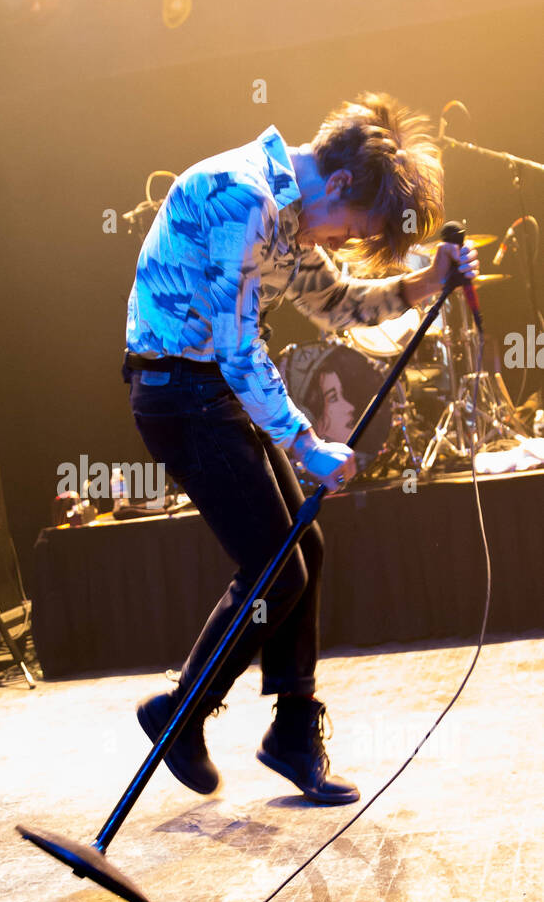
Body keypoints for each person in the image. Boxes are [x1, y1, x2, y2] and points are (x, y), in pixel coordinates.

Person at [124, 92, 478, 804]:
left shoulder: (292, 217)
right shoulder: (243, 197)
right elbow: (236, 349)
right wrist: (306, 443)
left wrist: (428, 282)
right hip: (179, 393)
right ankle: (180, 713)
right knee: (275, 568)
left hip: (211, 390)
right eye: (351, 230)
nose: (340, 244)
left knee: (302, 550)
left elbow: (341, 305)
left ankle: (289, 731)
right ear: (339, 182)